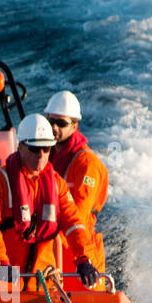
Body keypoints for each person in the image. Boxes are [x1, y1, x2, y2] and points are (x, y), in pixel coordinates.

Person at [0, 114, 100, 288]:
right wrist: (0, 261)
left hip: (43, 286)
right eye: (34, 149)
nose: (40, 155)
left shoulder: (57, 185)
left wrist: (83, 257)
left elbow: (73, 223)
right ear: (20, 146)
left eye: (46, 149)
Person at [45, 90, 108, 273]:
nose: (54, 127)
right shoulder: (44, 155)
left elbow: (78, 215)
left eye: (61, 123)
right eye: (50, 121)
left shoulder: (87, 165)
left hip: (79, 254)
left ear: (74, 126)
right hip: (50, 249)